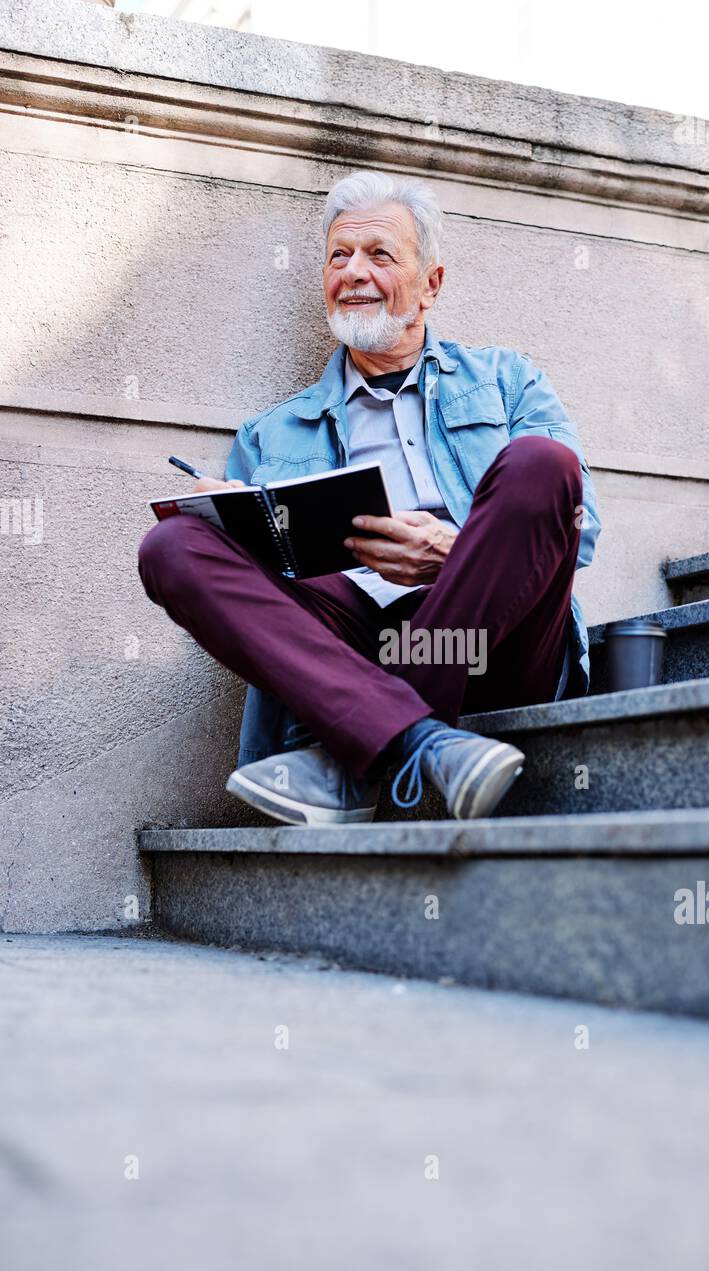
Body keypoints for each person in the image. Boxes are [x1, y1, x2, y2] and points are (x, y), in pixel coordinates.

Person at [138, 169, 601, 824]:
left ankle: (357, 753)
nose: (353, 272)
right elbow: (264, 602)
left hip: (489, 643)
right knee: (172, 547)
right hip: (364, 651)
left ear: (429, 285)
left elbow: (579, 532)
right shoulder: (269, 433)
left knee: (541, 463)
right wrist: (231, 523)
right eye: (338, 256)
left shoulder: (507, 381)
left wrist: (453, 553)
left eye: (379, 254)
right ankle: (423, 742)